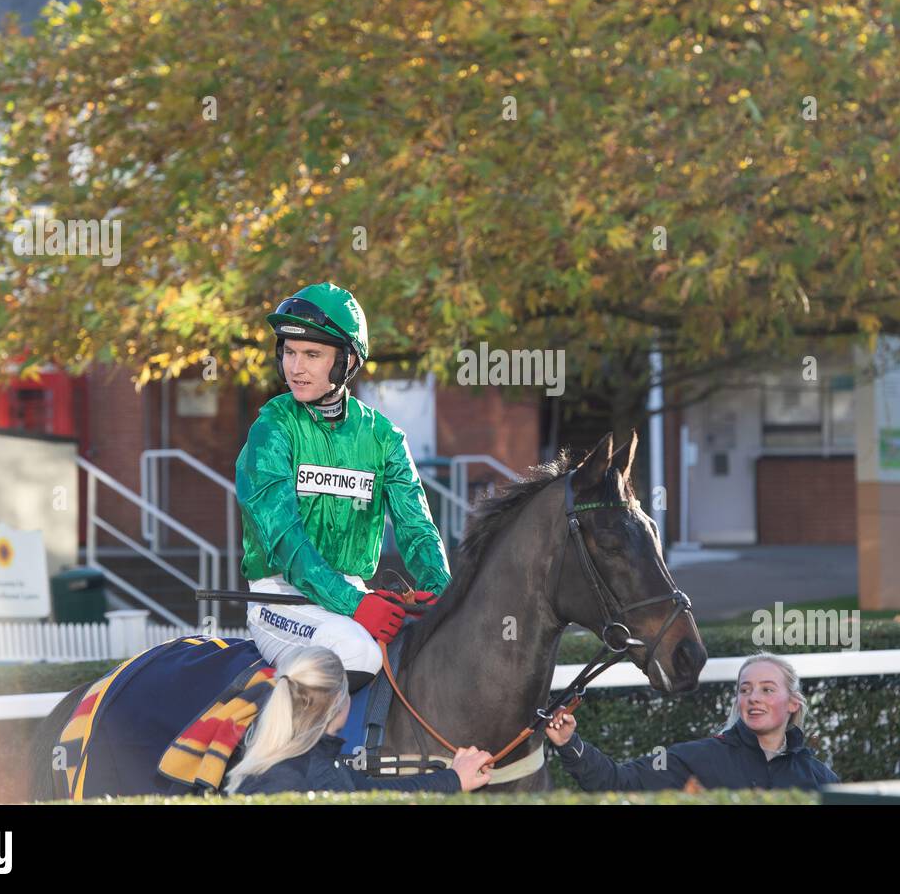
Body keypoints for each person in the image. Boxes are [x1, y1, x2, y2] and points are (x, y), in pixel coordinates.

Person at [235, 282, 451, 692]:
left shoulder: (385, 437)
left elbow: (416, 529)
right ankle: (295, 756)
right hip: (280, 598)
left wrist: (440, 594)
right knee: (357, 652)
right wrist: (356, 604)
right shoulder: (271, 430)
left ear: (346, 360)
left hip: (353, 593)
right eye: (290, 352)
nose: (295, 367)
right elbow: (288, 544)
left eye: (312, 355)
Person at [544, 652, 841, 791]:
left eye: (767, 689)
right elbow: (618, 783)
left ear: (793, 703)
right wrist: (571, 744)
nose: (753, 698)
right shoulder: (700, 757)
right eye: (745, 690)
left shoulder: (819, 778)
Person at [226, 647, 492, 795]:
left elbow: (374, 790)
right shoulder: (322, 775)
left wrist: (453, 778)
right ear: (340, 701)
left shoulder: (270, 760)